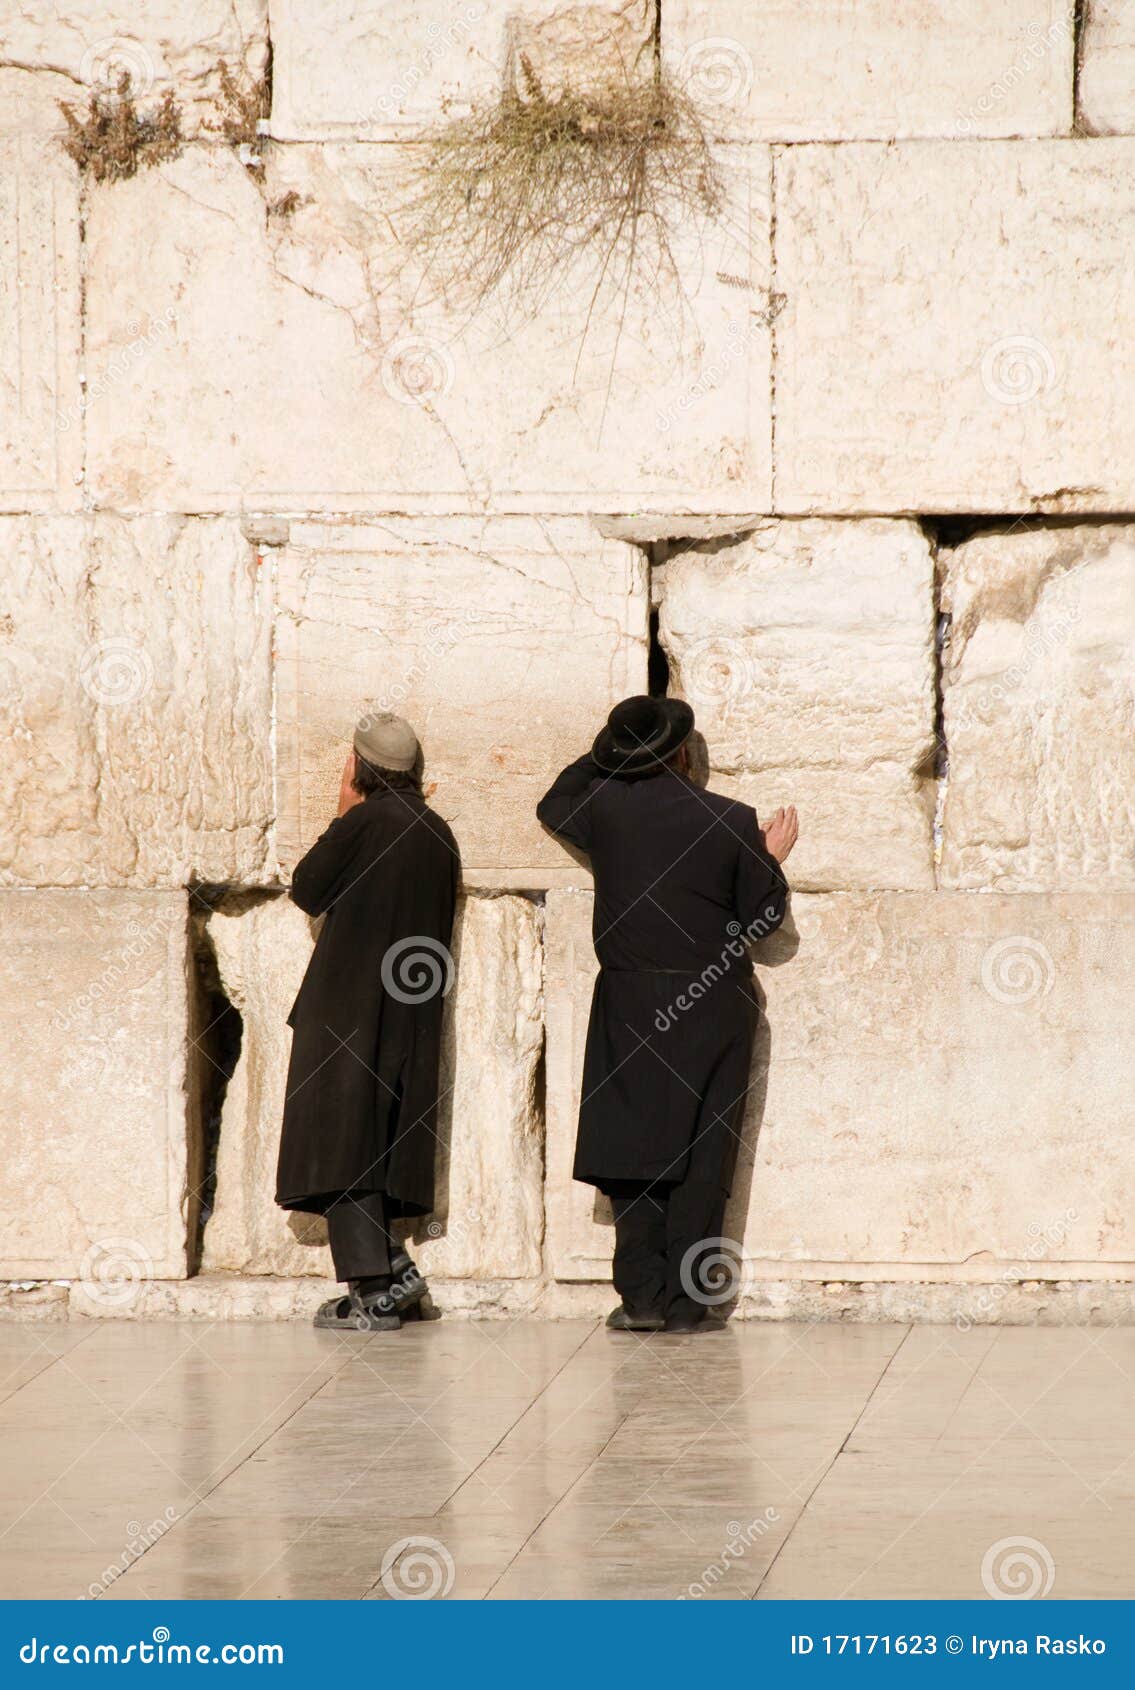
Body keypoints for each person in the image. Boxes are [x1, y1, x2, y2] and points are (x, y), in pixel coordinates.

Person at [536, 695, 797, 1335]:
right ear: (683, 755)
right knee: (705, 1151)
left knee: (633, 1146)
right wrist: (766, 860)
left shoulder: (604, 810)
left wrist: (615, 752)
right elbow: (763, 923)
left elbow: (553, 800)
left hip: (632, 1003)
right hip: (714, 1003)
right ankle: (688, 1304)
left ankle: (643, 1299)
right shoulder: (733, 821)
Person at [275, 710, 459, 1333]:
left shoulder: (364, 821)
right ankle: (399, 1278)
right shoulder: (438, 832)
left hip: (348, 1008)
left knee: (341, 1141)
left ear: (357, 766)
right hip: (410, 1012)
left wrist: (342, 812)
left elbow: (308, 888)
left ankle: (374, 1292)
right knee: (376, 1139)